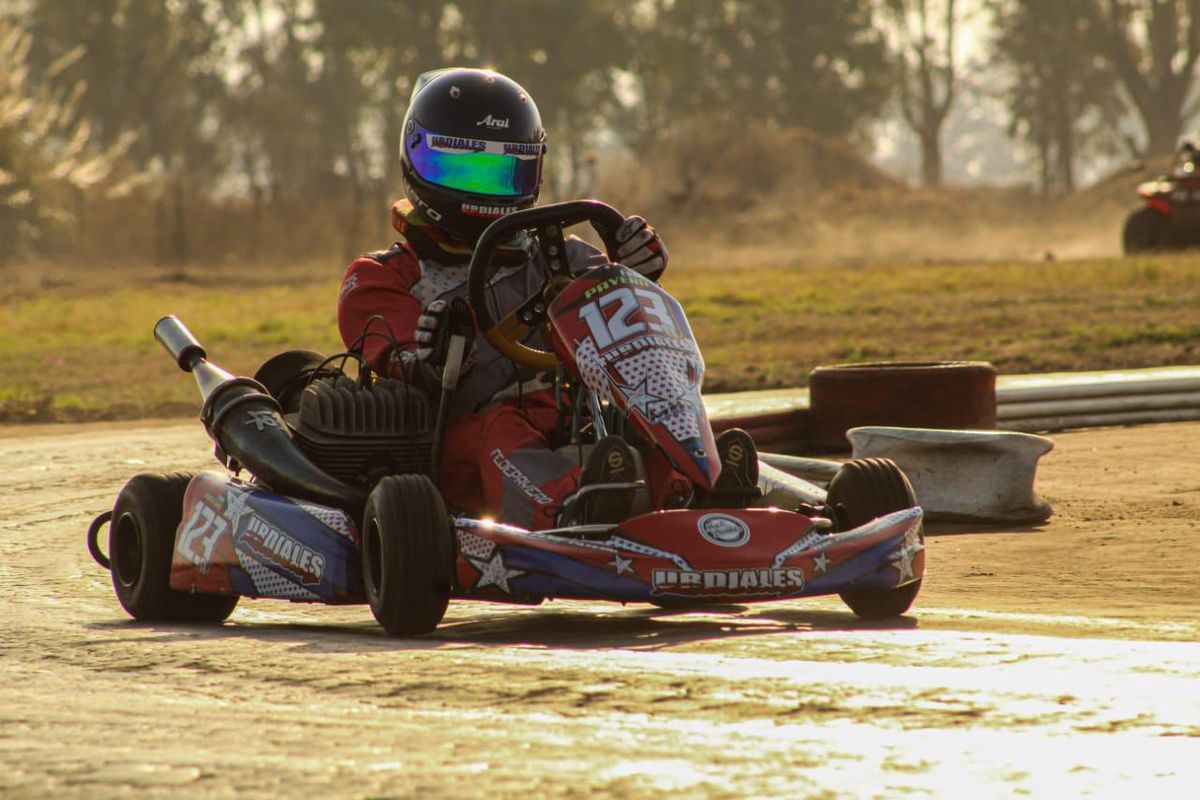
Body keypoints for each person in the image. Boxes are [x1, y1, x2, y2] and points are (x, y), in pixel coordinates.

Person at [337, 67, 755, 530]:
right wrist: (431, 355)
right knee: (500, 429)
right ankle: (572, 509)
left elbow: (624, 335)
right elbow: (397, 352)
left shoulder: (564, 257)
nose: (483, 189)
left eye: (502, 173)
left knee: (636, 414)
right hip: (457, 444)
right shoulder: (384, 276)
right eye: (462, 168)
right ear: (417, 158)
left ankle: (698, 490)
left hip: (573, 419)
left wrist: (636, 279)